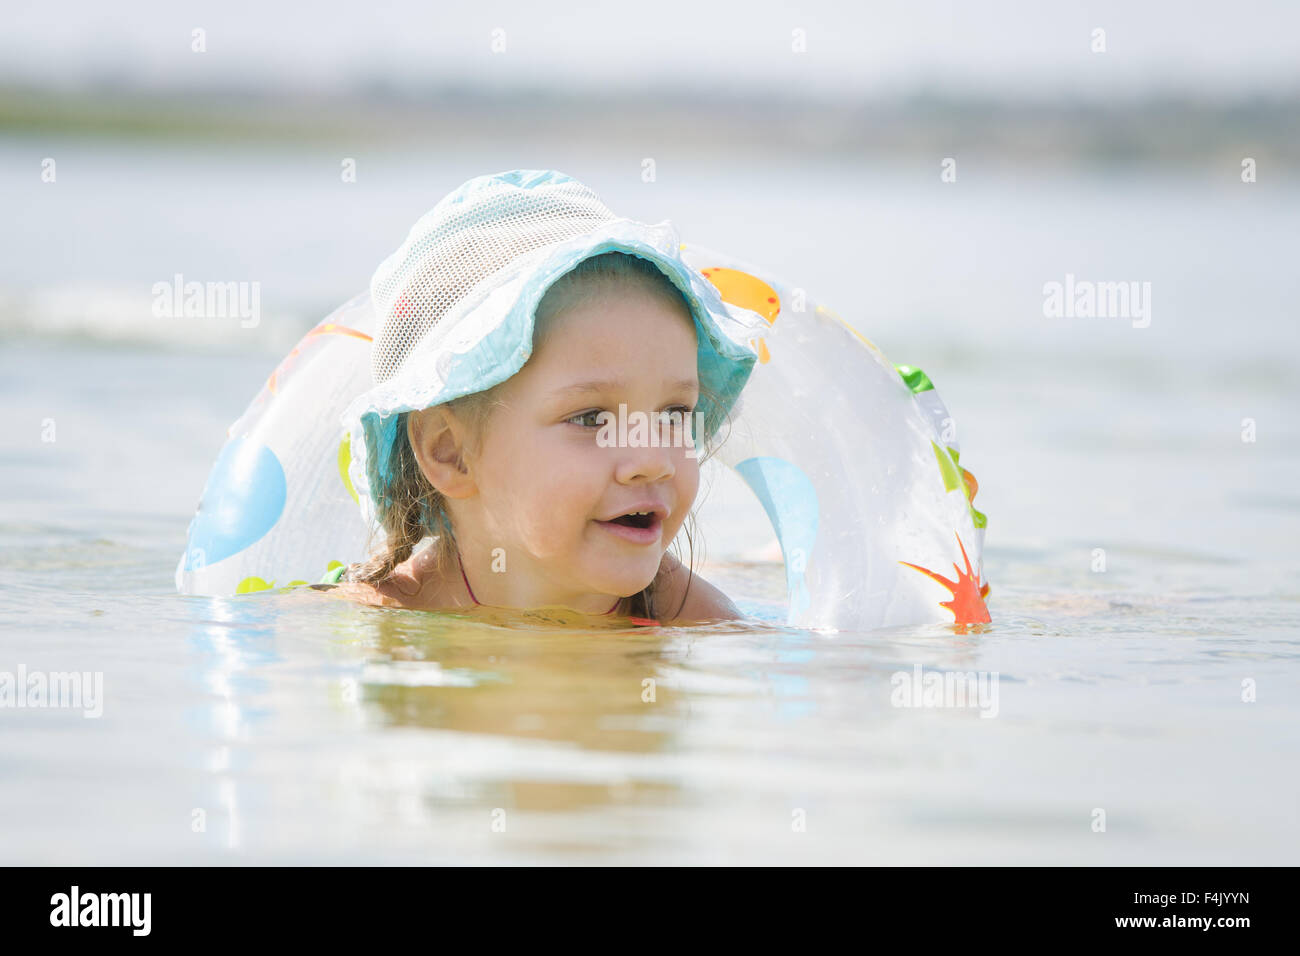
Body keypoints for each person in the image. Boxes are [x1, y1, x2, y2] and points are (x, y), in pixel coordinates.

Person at [325, 169, 764, 625]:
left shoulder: (693, 618)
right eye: (593, 418)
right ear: (449, 452)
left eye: (673, 414)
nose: (653, 460)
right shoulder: (386, 617)